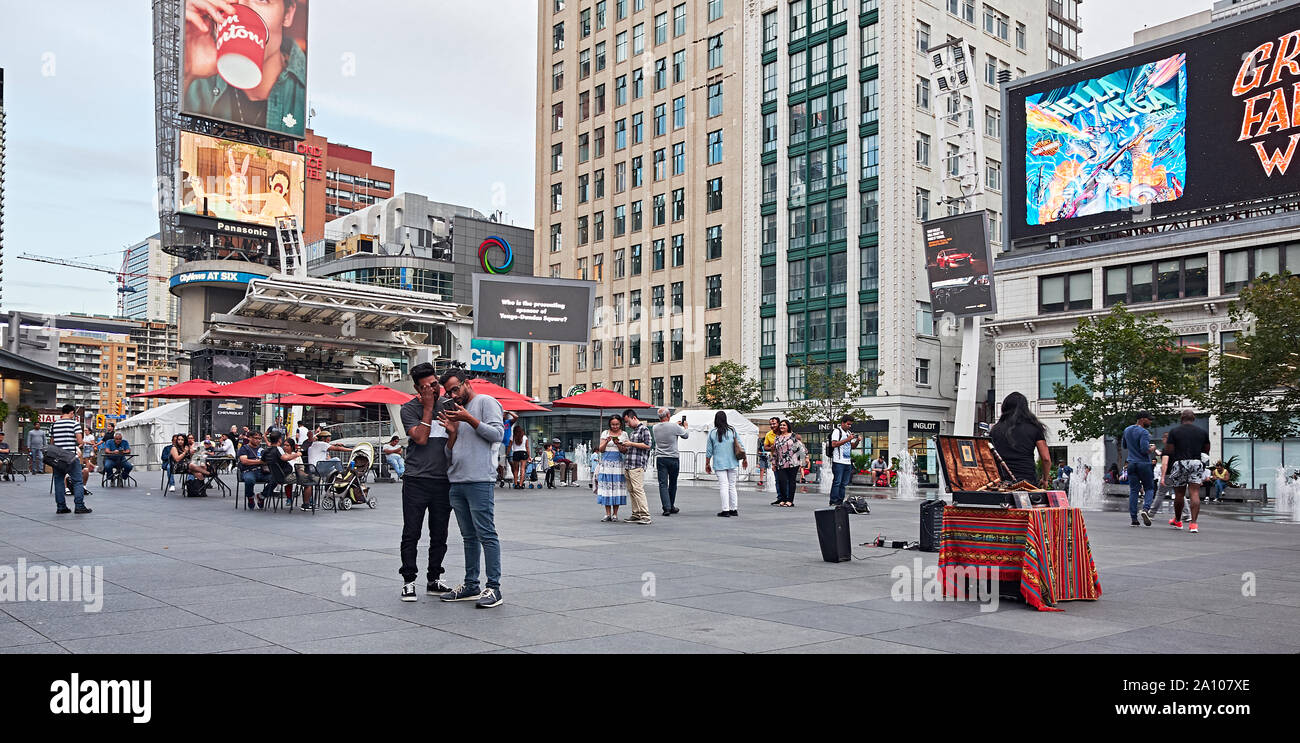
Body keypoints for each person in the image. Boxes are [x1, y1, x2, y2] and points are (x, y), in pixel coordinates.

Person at [437, 369, 506, 608]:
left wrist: (470, 420)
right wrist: (453, 433)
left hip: (479, 479)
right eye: (449, 392)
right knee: (468, 537)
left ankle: (494, 588)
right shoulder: (457, 412)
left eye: (456, 389)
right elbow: (449, 453)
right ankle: (471, 584)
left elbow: (498, 434)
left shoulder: (486, 402)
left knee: (486, 534)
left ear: (467, 383)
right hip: (457, 480)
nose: (453, 395)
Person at [398, 363, 457, 602]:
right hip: (416, 480)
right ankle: (409, 581)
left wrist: (452, 431)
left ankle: (434, 579)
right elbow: (421, 438)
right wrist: (429, 408)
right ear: (416, 389)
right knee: (412, 532)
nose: (433, 389)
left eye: (435, 384)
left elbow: (455, 440)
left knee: (439, 533)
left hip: (443, 480)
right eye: (427, 387)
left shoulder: (450, 406)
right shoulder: (408, 409)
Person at [1162, 410, 1212, 533]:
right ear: (1193, 418)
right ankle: (1193, 524)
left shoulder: (1174, 431)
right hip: (1196, 462)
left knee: (1179, 494)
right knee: (1194, 492)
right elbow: (1207, 449)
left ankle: (1178, 521)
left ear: (1181, 418)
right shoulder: (1202, 432)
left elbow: (1168, 450)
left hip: (1180, 462)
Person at [989, 392, 1051, 486]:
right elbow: (1046, 459)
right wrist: (1045, 479)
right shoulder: (1034, 427)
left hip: (1002, 481)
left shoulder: (995, 429)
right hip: (1027, 480)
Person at [49, 404, 90, 515]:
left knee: (59, 481)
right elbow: (80, 441)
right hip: (70, 457)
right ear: (71, 412)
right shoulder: (75, 424)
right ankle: (79, 506)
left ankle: (61, 507)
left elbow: (52, 443)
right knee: (77, 481)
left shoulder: (54, 425)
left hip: (58, 458)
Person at [705, 410, 746, 517]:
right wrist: (745, 459)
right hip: (732, 462)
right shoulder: (732, 430)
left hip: (719, 463)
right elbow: (740, 445)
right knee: (732, 486)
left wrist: (707, 464)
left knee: (724, 485)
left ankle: (725, 510)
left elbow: (709, 450)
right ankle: (734, 509)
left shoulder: (712, 432)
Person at [1123, 411, 1158, 527]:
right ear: (1142, 419)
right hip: (1143, 463)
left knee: (1134, 490)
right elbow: (1144, 450)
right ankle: (1145, 509)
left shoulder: (1127, 430)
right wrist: (1152, 448)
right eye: (1149, 419)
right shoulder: (1144, 432)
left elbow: (1124, 445)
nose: (1150, 421)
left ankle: (1134, 518)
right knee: (1149, 488)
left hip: (1131, 463)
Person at [652, 408, 689, 516]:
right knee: (673, 483)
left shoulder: (655, 427)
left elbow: (666, 428)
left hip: (661, 458)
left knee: (663, 483)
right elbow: (685, 435)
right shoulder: (674, 427)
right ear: (668, 415)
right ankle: (671, 505)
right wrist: (685, 427)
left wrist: (675, 425)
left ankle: (666, 507)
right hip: (673, 457)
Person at [621, 409, 654, 524]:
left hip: (637, 464)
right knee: (632, 490)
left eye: (628, 421)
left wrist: (631, 443)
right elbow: (632, 449)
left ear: (634, 417)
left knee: (638, 490)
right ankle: (636, 513)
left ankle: (645, 515)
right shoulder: (633, 431)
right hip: (629, 464)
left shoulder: (643, 429)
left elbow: (648, 445)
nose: (627, 424)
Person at [595, 415, 629, 522]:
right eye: (613, 424)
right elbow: (600, 449)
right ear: (610, 424)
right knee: (607, 488)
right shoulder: (605, 433)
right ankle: (607, 513)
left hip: (618, 464)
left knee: (617, 488)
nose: (615, 426)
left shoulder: (624, 434)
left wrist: (618, 444)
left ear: (620, 424)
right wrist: (606, 441)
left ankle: (615, 514)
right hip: (606, 464)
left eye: (617, 424)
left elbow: (625, 451)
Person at [828, 415, 858, 507]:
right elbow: (834, 444)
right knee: (837, 482)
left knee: (844, 483)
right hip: (838, 461)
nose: (849, 426)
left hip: (847, 462)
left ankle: (840, 501)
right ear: (843, 423)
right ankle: (833, 500)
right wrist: (848, 439)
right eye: (848, 424)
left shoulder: (848, 432)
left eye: (851, 424)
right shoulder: (837, 431)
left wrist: (857, 441)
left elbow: (852, 446)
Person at [771, 419, 801, 506]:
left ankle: (790, 500)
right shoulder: (777, 437)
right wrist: (773, 463)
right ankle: (783, 499)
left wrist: (803, 461)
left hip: (793, 462)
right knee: (782, 481)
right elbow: (775, 451)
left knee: (791, 481)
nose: (782, 427)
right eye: (781, 425)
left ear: (788, 426)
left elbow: (800, 449)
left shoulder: (793, 436)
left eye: (784, 425)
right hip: (781, 462)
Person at [238, 431, 268, 510]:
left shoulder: (262, 450)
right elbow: (244, 461)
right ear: (250, 438)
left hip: (262, 471)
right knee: (249, 480)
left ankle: (261, 496)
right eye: (256, 438)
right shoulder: (244, 448)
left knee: (275, 479)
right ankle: (250, 496)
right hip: (248, 471)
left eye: (260, 439)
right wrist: (259, 462)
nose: (258, 440)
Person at [758, 416, 779, 489]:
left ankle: (787, 498)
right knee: (776, 478)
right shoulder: (768, 434)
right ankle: (780, 497)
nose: (772, 426)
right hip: (775, 459)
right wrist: (771, 448)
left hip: (785, 459)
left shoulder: (783, 432)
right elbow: (766, 447)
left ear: (778, 424)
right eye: (770, 424)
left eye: (774, 424)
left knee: (784, 479)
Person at [509, 423, 530, 489]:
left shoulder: (513, 436)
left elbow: (510, 446)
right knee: (522, 469)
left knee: (516, 470)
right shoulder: (524, 437)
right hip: (523, 452)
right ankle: (521, 484)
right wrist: (529, 455)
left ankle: (515, 484)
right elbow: (527, 447)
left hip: (516, 453)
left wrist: (507, 453)